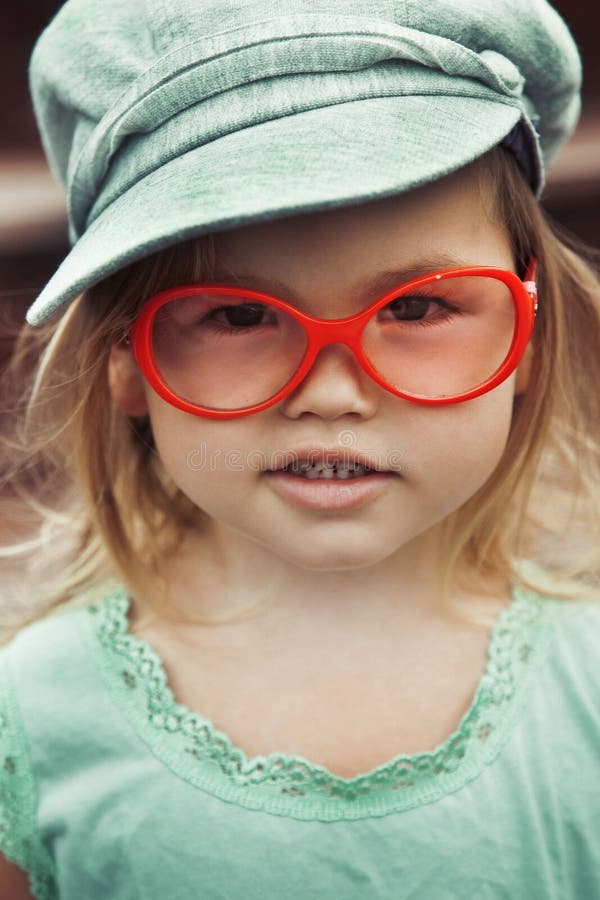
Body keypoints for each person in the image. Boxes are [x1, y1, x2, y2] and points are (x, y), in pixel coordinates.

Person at [1, 0, 599, 897]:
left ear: (525, 338)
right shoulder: (31, 724)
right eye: (239, 315)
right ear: (125, 359)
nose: (330, 391)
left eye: (415, 306)